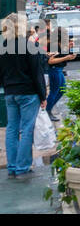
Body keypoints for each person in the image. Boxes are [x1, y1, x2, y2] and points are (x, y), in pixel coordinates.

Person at [1, 13, 46, 179]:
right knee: (27, 129)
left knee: (11, 128)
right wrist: (43, 96)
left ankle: (12, 166)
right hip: (28, 93)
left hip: (10, 92)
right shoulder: (29, 46)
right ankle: (23, 166)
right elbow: (37, 74)